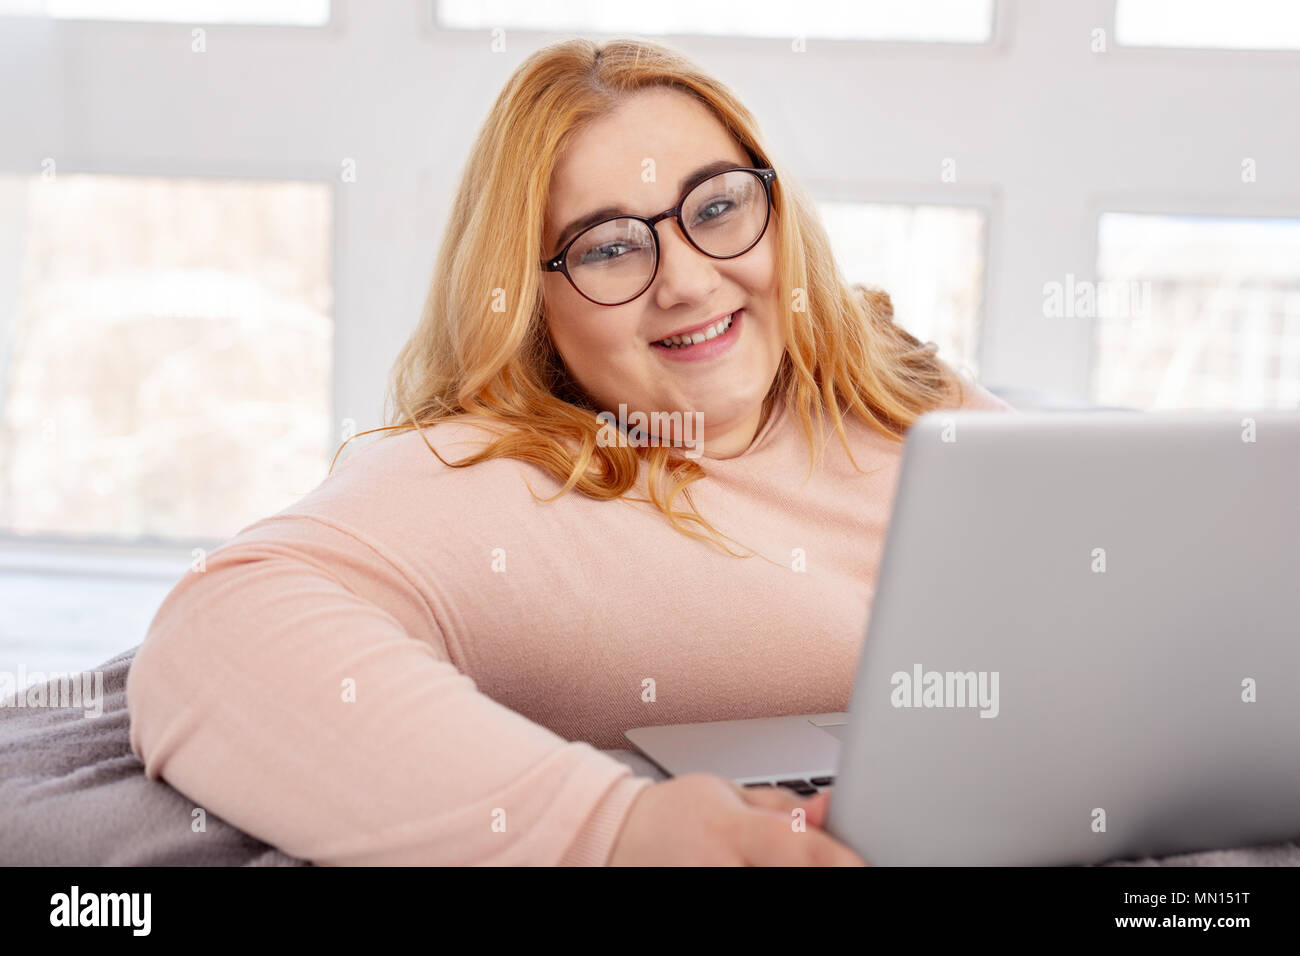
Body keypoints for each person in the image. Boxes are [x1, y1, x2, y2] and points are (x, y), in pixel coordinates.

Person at [127, 36, 1013, 866]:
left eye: (718, 206)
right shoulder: (498, 473)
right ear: (529, 298)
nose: (690, 281)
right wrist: (613, 830)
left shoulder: (900, 387)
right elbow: (220, 628)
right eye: (612, 247)